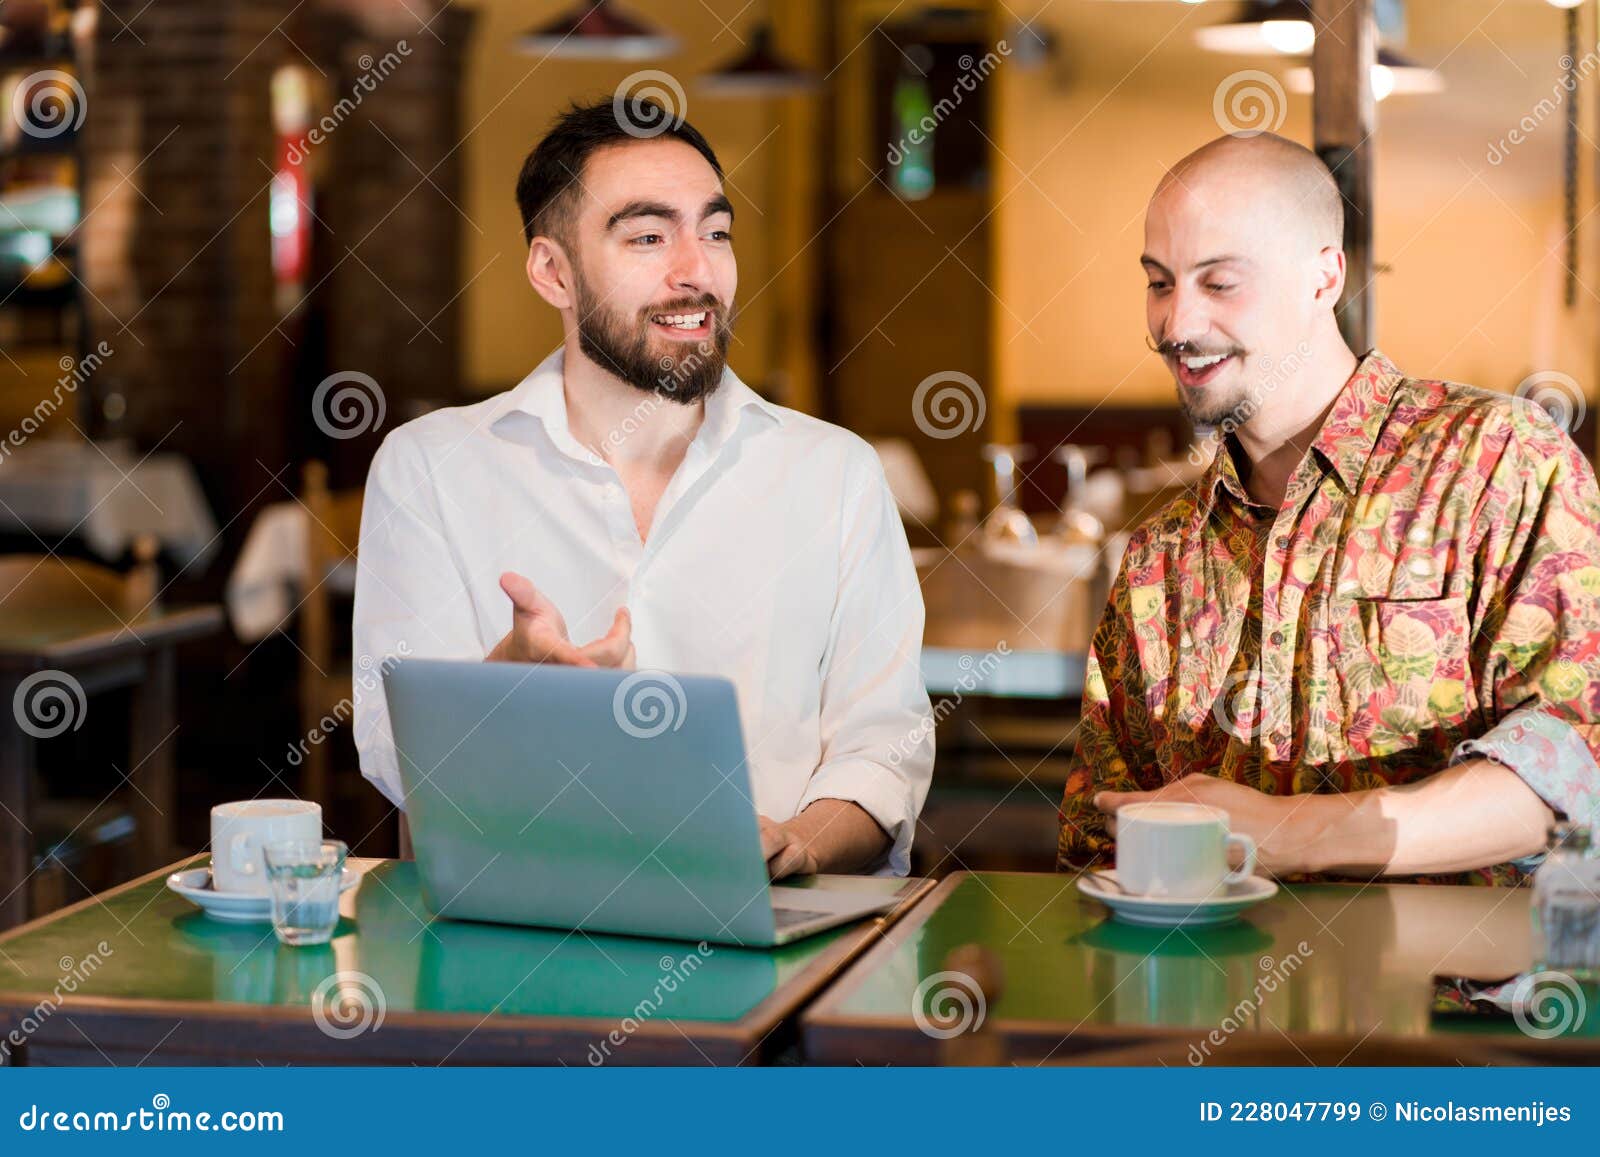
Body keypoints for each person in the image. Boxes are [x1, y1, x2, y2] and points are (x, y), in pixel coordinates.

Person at [353, 100, 932, 878]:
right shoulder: (429, 468)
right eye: (650, 237)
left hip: (786, 941)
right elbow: (395, 752)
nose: (697, 271)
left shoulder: (836, 474)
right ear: (552, 271)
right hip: (519, 953)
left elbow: (884, 746)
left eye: (716, 232)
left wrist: (797, 843)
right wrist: (502, 689)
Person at [1058, 131, 1600, 883]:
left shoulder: (1498, 462)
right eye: (1159, 282)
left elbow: (1577, 758)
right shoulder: (1159, 560)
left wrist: (1292, 833)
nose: (1176, 325)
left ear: (1324, 279)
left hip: (1458, 996)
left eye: (1218, 284)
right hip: (1210, 994)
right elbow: (1100, 836)